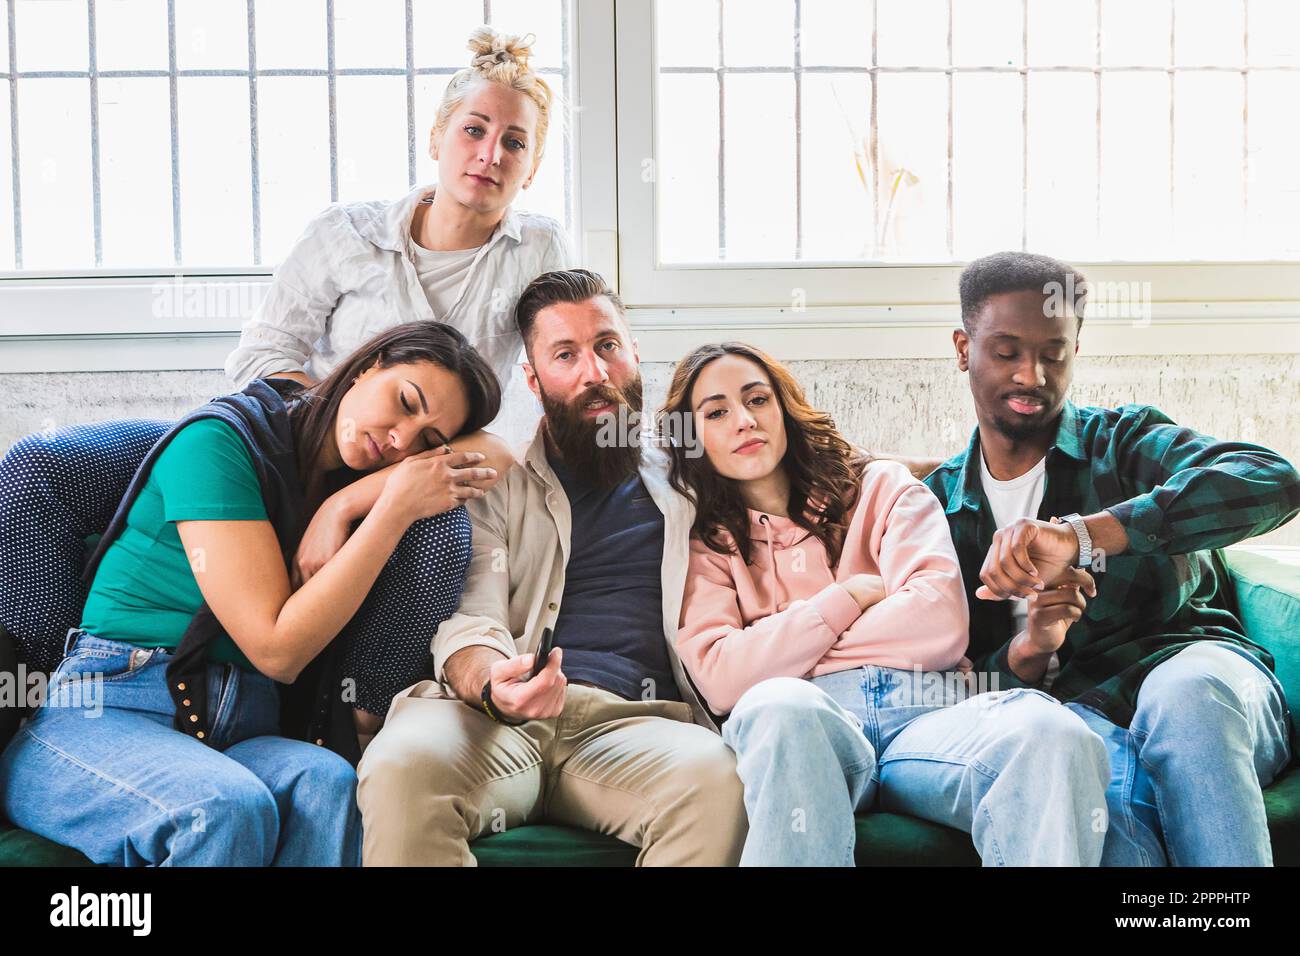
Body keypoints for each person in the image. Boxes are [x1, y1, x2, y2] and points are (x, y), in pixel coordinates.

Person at [0, 322, 501, 866]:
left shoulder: (334, 480)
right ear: (367, 366)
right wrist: (394, 505)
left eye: (428, 442)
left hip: (240, 725)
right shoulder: (217, 443)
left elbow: (502, 452)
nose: (402, 439)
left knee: (327, 783)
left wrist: (347, 503)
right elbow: (277, 650)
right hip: (107, 711)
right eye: (405, 402)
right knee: (222, 807)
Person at [355, 270, 748, 866]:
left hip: (632, 726)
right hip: (491, 725)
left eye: (607, 347)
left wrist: (917, 470)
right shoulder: (493, 484)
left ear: (635, 355)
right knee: (399, 766)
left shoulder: (692, 467)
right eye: (566, 355)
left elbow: (799, 459)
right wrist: (493, 685)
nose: (594, 374)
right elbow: (470, 617)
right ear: (534, 381)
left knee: (716, 781)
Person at [668, 342, 1111, 866]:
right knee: (780, 705)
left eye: (757, 399)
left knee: (1051, 732)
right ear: (693, 438)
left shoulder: (883, 488)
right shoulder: (706, 544)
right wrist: (849, 597)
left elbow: (940, 625)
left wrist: (781, 648)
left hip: (931, 718)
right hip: (811, 731)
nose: (744, 421)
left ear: (783, 409)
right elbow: (720, 681)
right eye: (716, 412)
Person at [923, 250, 1300, 865]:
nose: (1032, 376)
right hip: (1074, 713)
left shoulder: (1123, 442)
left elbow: (1274, 480)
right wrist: (1032, 648)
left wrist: (1086, 535)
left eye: (1054, 353)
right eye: (1007, 352)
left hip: (1196, 676)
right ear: (964, 349)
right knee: (1090, 771)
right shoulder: (935, 509)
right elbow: (958, 686)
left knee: (1186, 698)